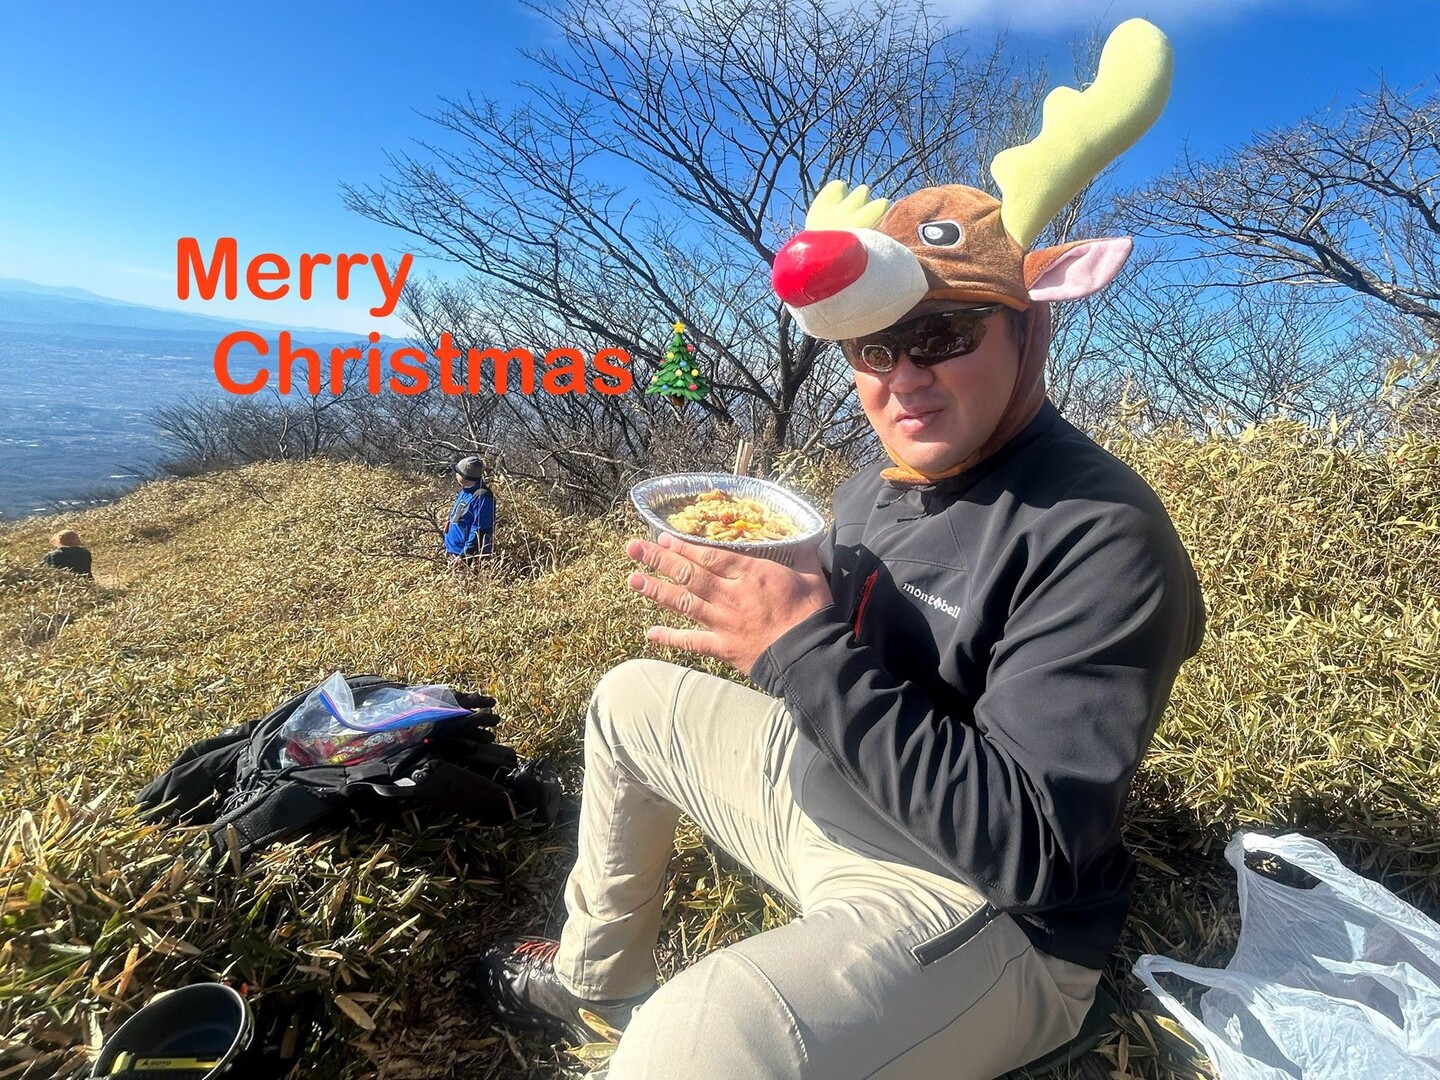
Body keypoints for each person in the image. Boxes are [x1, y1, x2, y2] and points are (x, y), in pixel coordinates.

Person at [473, 21, 1203, 1078]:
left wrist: (799, 647)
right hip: (843, 796)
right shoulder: (877, 486)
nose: (903, 376)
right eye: (874, 346)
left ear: (1029, 328)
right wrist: (787, 609)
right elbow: (853, 671)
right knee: (630, 699)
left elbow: (1036, 851)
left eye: (945, 336)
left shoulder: (1098, 533)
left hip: (989, 909)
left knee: (701, 1035)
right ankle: (597, 986)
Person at [445, 456, 495, 569]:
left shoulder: (482, 496)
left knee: (464, 585)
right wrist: (449, 547)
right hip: (454, 553)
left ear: (465, 476)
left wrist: (465, 555)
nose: (455, 474)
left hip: (466, 558)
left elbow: (480, 530)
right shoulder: (465, 491)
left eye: (457, 472)